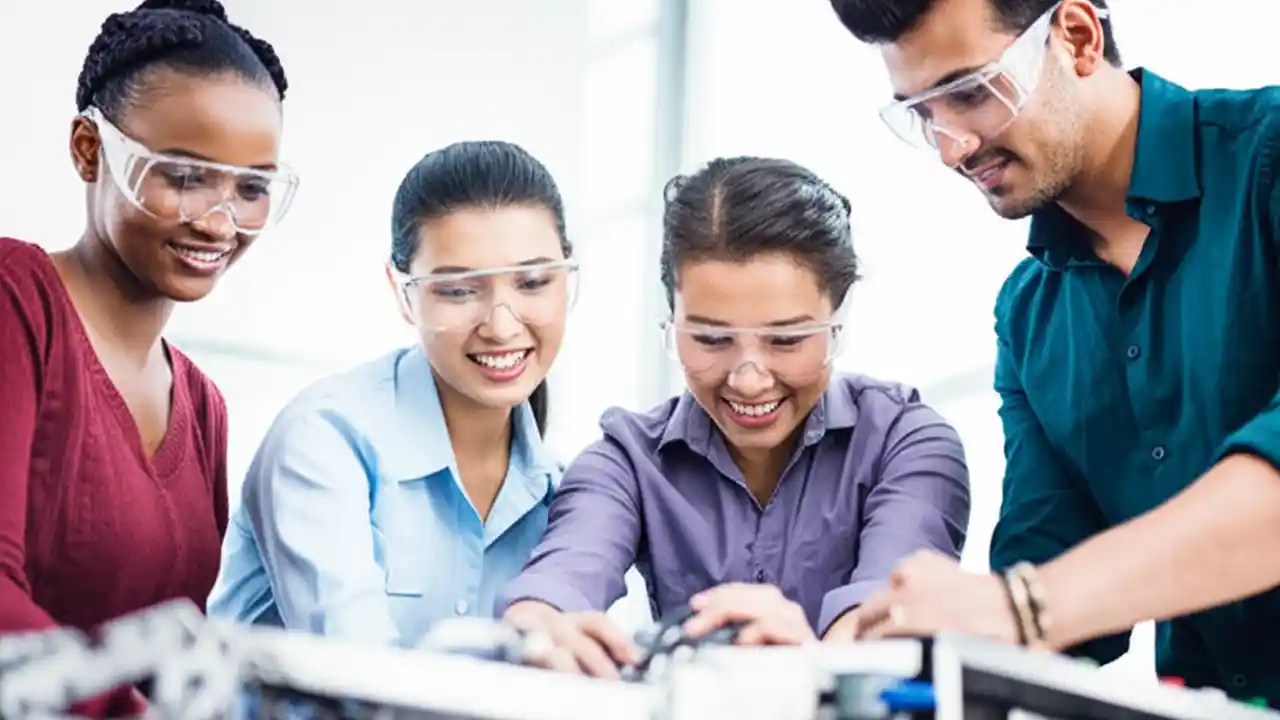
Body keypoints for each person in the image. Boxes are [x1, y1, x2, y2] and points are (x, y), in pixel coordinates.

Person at [828, 0, 1280, 701]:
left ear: (1075, 37)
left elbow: (1036, 603)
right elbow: (1044, 574)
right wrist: (830, 657)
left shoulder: (1268, 159)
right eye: (922, 112)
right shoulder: (1028, 315)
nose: (952, 147)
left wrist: (1026, 606)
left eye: (971, 93)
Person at [497, 156, 970, 677]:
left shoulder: (908, 444)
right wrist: (540, 630)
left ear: (839, 313)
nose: (749, 379)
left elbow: (886, 629)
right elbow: (557, 583)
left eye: (786, 340)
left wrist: (812, 659)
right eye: (711, 339)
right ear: (672, 317)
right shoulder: (627, 461)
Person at [0, 0, 293, 714]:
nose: (221, 222)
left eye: (251, 188)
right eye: (186, 177)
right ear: (88, 150)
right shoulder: (16, 305)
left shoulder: (202, 408)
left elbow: (169, 652)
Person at [208, 141, 576, 648]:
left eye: (533, 282)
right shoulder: (324, 441)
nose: (501, 324)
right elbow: (359, 681)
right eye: (459, 289)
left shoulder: (563, 493)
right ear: (403, 292)